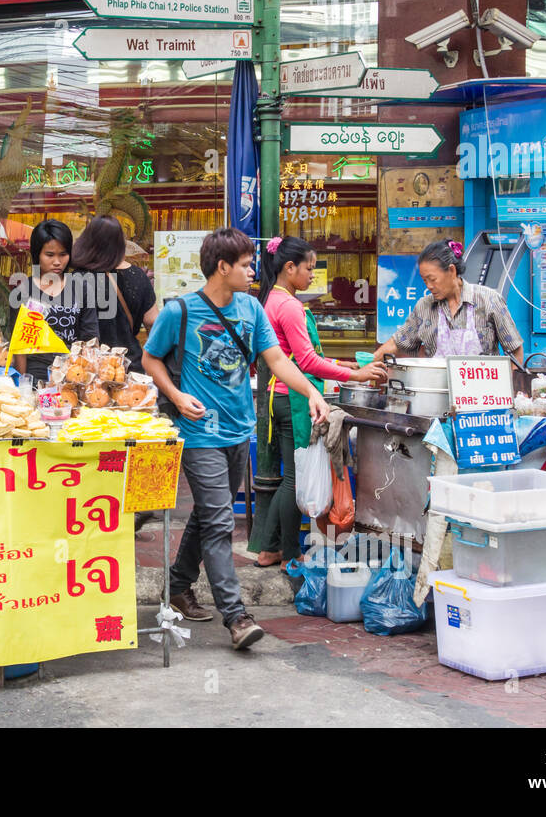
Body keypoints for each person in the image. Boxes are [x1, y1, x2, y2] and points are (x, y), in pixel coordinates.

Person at [143, 228, 331, 651]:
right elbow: (150, 357)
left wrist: (312, 392)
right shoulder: (180, 311)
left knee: (211, 515)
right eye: (245, 265)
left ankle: (176, 584)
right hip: (198, 434)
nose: (252, 272)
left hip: (238, 430)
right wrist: (174, 394)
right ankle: (237, 617)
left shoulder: (251, 308)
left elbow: (277, 359)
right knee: (220, 522)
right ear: (222, 267)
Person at [250, 235, 387, 569]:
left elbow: (302, 357)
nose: (313, 274)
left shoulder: (273, 300)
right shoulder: (289, 306)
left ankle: (270, 549)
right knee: (295, 480)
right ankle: (288, 552)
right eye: (309, 268)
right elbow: (307, 362)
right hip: (295, 400)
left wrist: (343, 366)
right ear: (289, 267)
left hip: (279, 397)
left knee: (288, 478)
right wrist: (356, 376)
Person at [374, 239, 524, 363]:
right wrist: (368, 363)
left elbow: (515, 350)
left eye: (432, 279)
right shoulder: (424, 306)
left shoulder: (489, 300)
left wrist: (504, 391)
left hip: (482, 395)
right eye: (424, 280)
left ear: (452, 271)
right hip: (439, 392)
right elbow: (398, 342)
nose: (429, 286)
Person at [11, 219, 99, 385]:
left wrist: (85, 380)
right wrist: (23, 384)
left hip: (72, 376)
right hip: (36, 376)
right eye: (50, 255)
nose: (57, 262)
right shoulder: (23, 292)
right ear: (37, 254)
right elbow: (19, 346)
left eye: (63, 254)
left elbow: (90, 340)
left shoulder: (82, 288)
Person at [70, 215, 157, 369]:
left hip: (88, 370)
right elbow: (153, 323)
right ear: (121, 244)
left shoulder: (77, 278)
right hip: (129, 365)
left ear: (86, 242)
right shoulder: (138, 276)